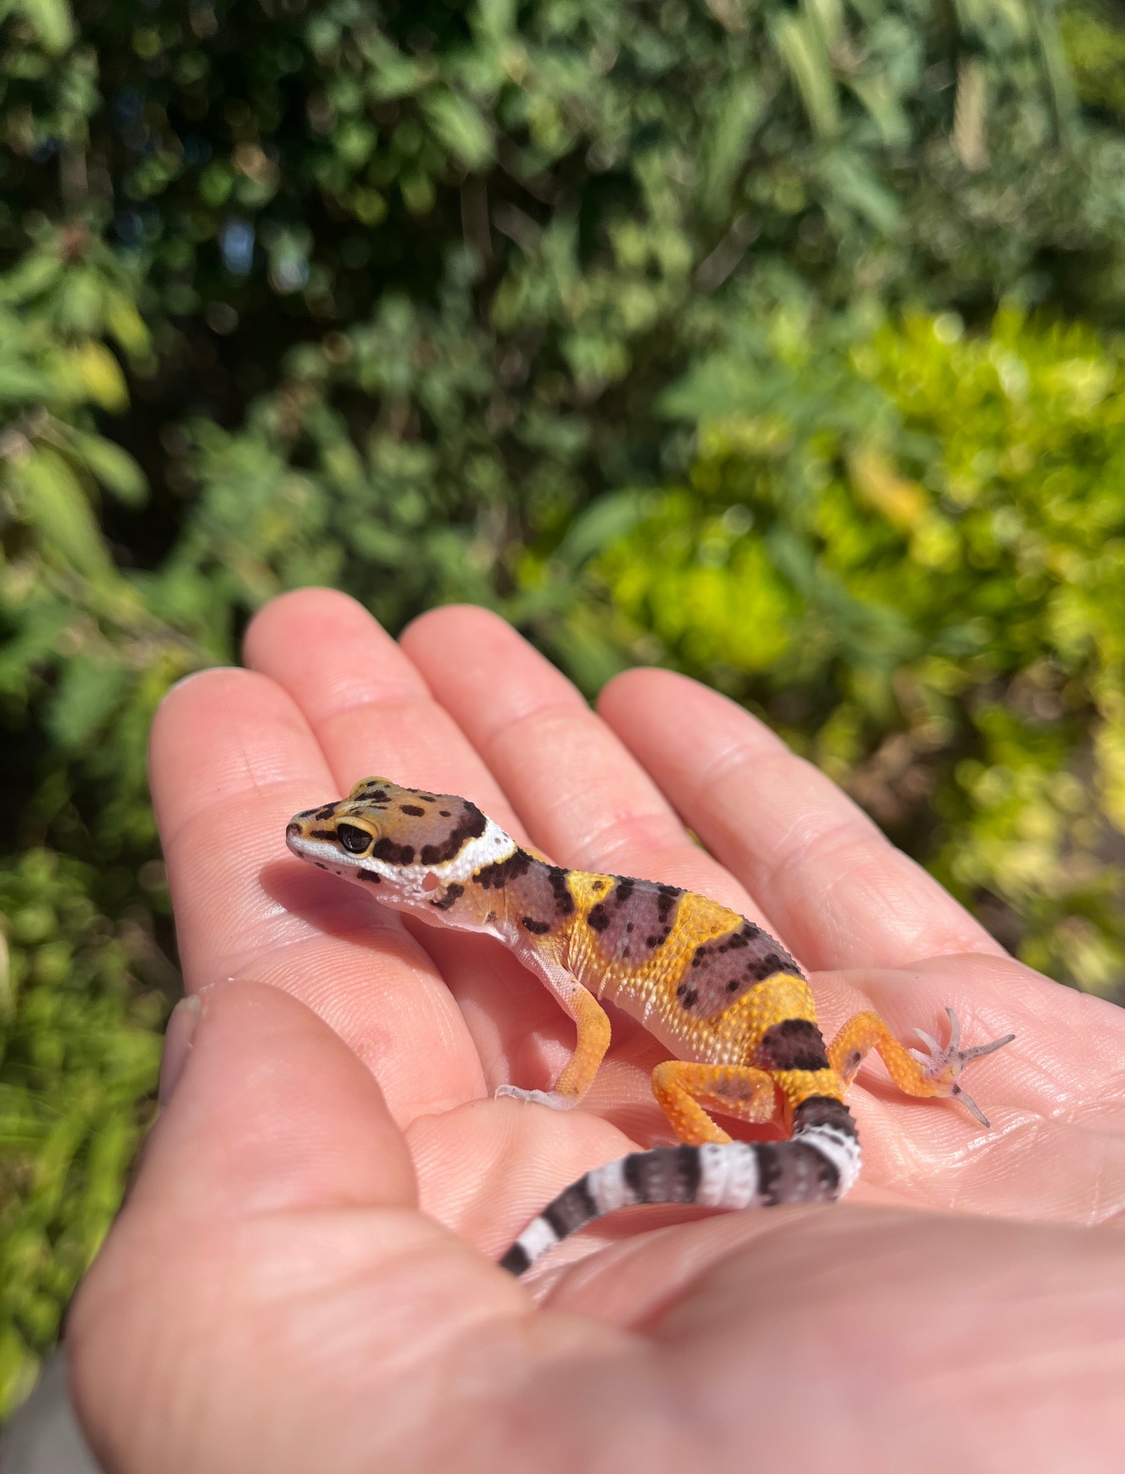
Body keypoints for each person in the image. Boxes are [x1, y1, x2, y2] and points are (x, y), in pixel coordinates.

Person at [68, 589, 1125, 1472]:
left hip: (769, 1093)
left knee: (665, 1088)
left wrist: (564, 1098)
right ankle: (930, 1080)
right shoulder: (535, 904)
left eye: (362, 846)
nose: (332, 850)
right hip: (811, 1045)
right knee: (844, 1042)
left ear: (435, 882)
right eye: (355, 831)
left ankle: (702, 1174)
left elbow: (583, 1023)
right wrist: (923, 1079)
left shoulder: (541, 929)